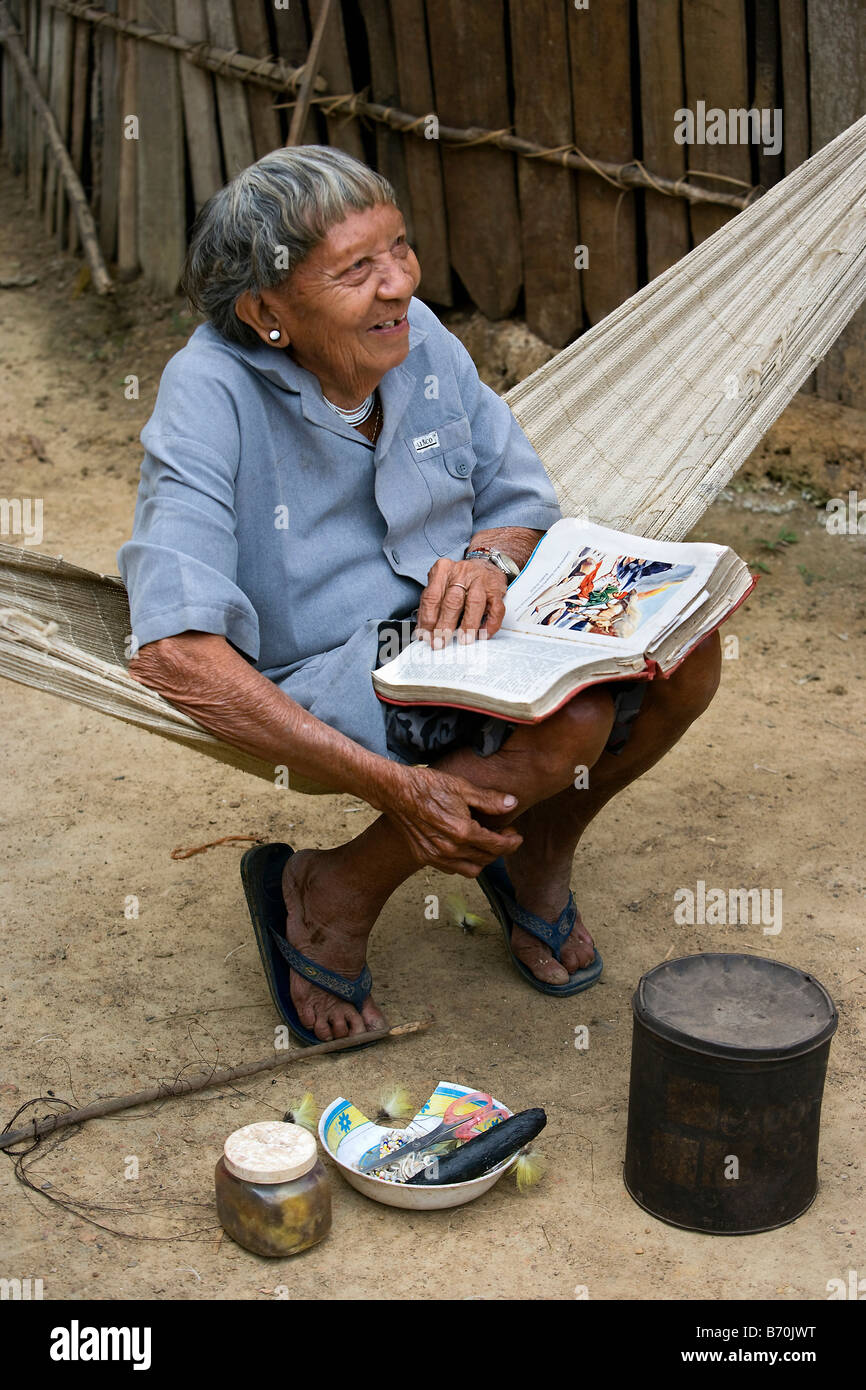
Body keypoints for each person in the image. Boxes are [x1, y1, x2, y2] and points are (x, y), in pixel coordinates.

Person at [119, 145, 721, 1046]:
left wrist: (488, 557)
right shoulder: (208, 395)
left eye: (397, 248)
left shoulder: (417, 336)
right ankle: (329, 894)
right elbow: (174, 650)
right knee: (565, 726)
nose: (397, 283)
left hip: (474, 625)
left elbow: (518, 502)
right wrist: (399, 790)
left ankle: (538, 854)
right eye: (356, 269)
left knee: (687, 656)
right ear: (268, 313)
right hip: (331, 665)